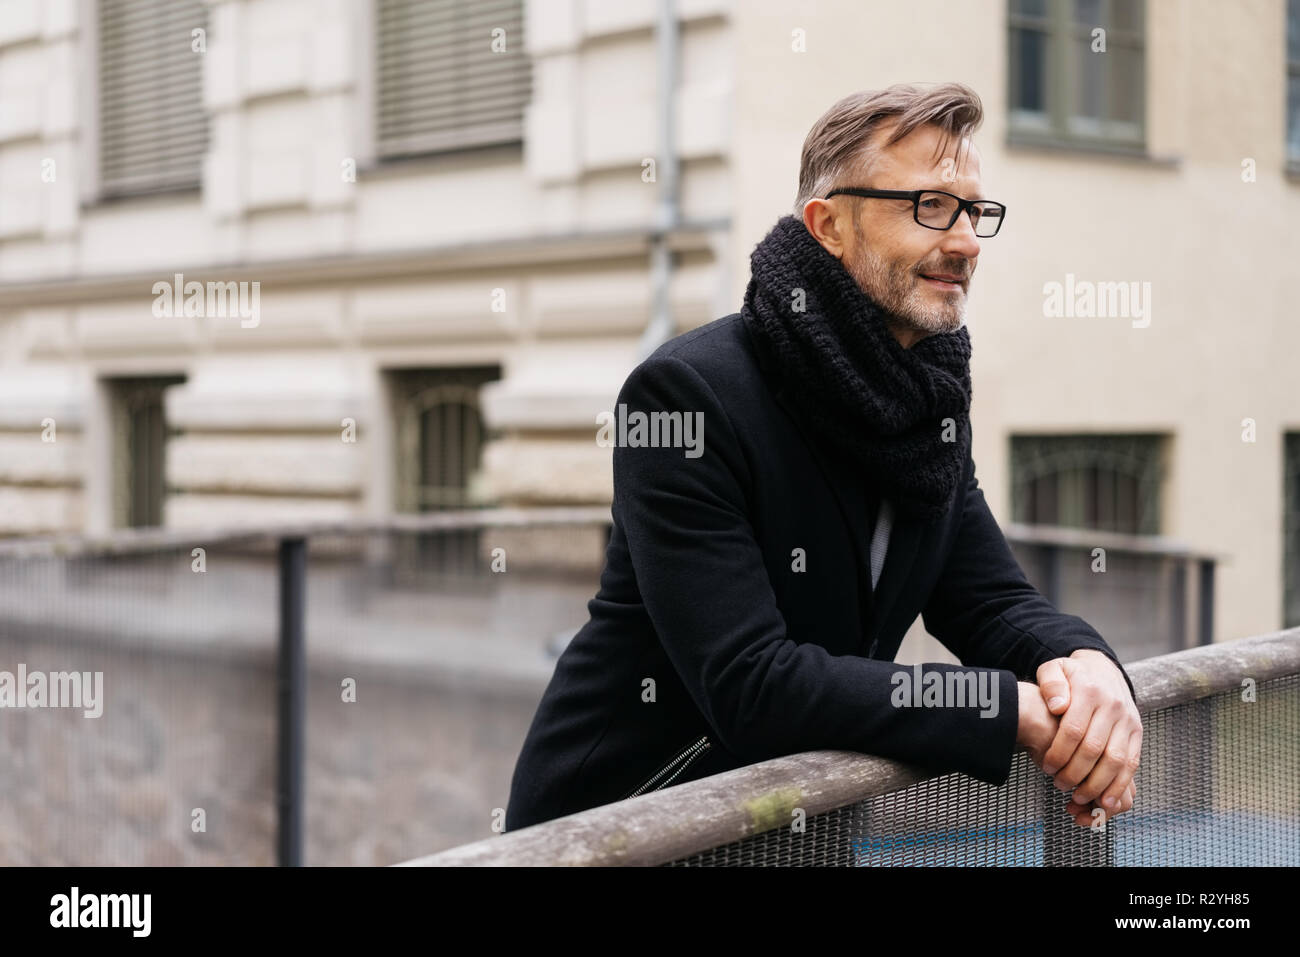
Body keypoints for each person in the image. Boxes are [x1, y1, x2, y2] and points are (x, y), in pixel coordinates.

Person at [505, 82, 1142, 834]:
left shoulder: (929, 400)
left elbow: (989, 601)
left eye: (974, 211)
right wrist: (1005, 709)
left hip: (798, 828)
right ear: (829, 225)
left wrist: (1087, 666)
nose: (967, 240)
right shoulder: (686, 396)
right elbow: (754, 682)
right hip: (623, 830)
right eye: (930, 206)